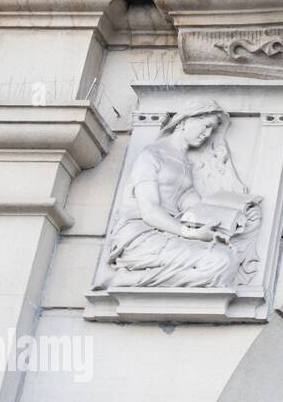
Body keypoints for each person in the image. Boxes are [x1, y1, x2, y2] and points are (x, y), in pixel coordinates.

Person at [96, 100, 261, 290]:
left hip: (170, 233)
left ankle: (135, 279)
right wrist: (191, 234)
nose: (207, 134)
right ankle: (125, 280)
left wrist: (240, 213)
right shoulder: (151, 155)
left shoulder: (185, 164)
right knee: (220, 264)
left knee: (227, 262)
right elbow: (149, 211)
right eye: (206, 126)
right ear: (185, 120)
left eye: (212, 131)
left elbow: (197, 208)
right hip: (141, 235)